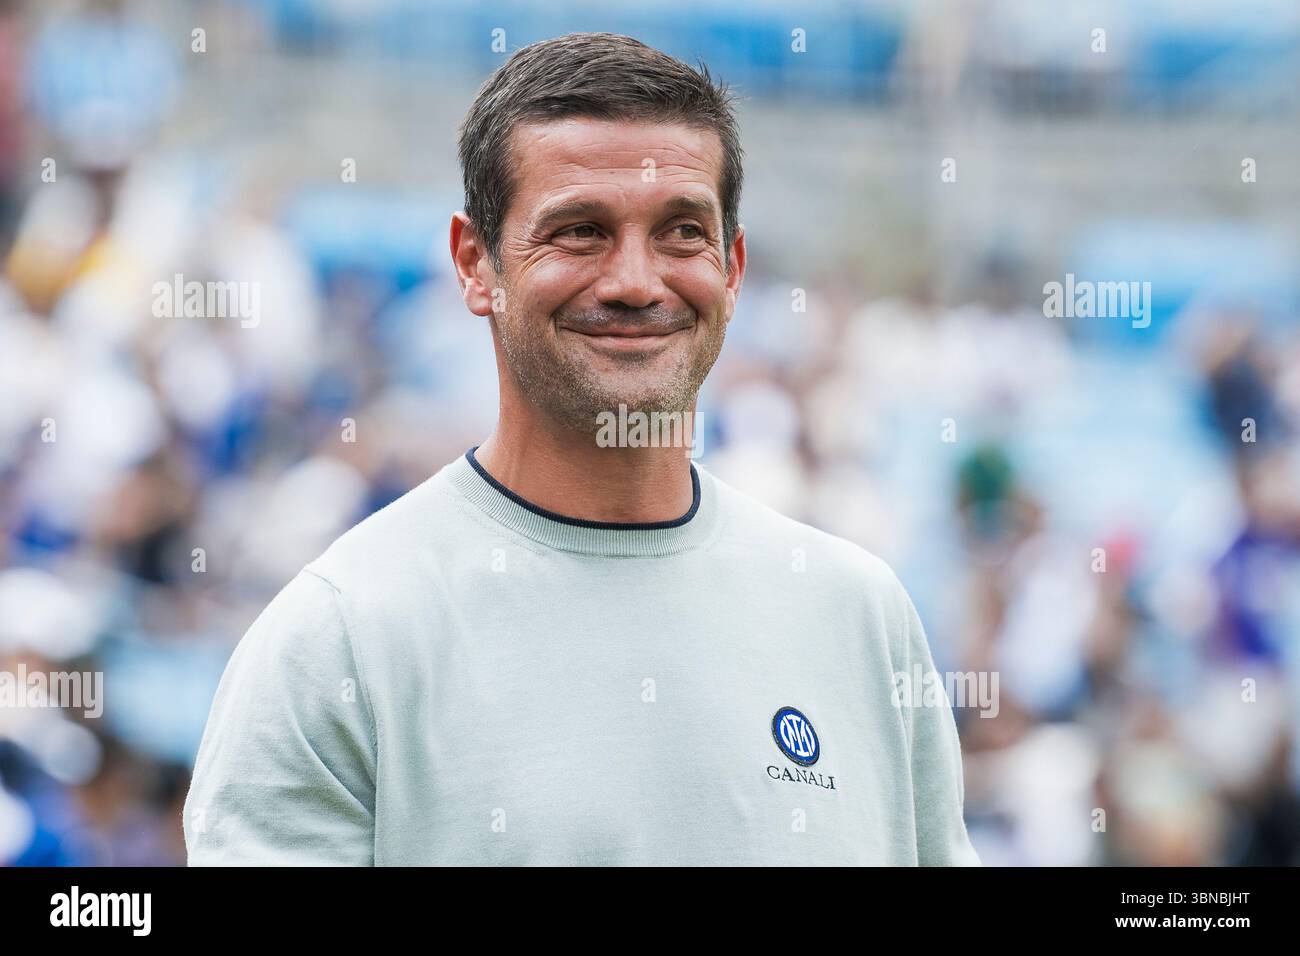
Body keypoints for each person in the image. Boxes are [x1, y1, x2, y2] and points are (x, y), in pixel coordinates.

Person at [183, 32, 980, 866]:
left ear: (734, 268)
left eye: (681, 232)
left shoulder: (861, 616)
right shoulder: (339, 640)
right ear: (474, 264)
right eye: (579, 232)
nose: (637, 282)